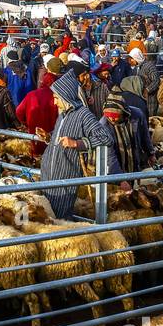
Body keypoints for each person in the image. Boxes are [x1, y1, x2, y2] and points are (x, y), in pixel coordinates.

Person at [40, 71, 117, 220]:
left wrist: (77, 143)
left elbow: (106, 137)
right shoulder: (63, 114)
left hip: (65, 177)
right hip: (47, 175)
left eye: (56, 98)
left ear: (65, 96)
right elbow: (61, 136)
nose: (54, 102)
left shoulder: (83, 114)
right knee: (47, 218)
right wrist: (48, 136)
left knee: (60, 219)